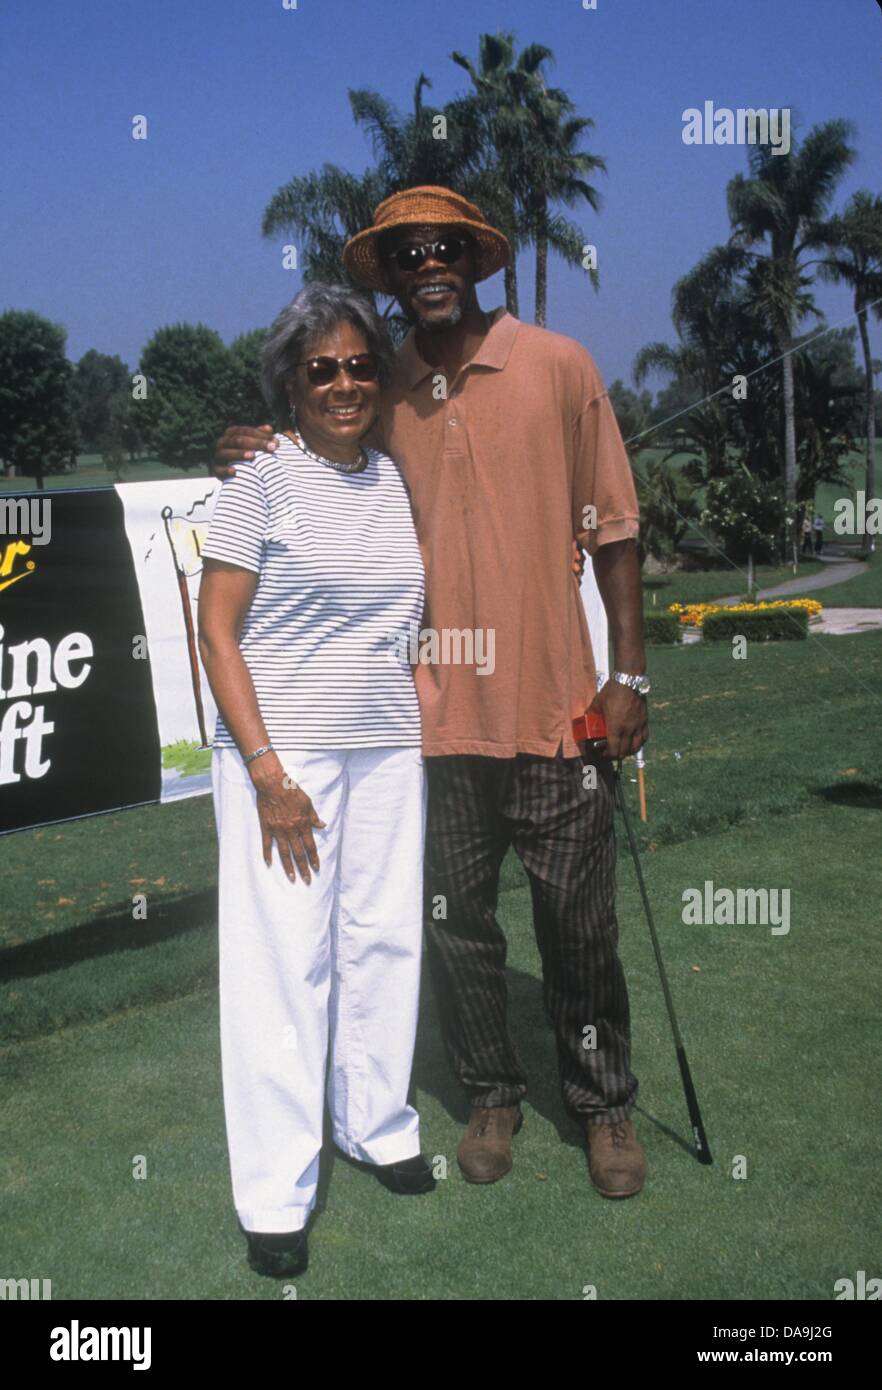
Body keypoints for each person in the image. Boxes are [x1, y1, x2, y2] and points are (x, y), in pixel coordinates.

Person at [214, 185, 649, 1200]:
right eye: (409, 256)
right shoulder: (385, 385)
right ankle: (491, 1091)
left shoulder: (558, 365)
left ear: (480, 260)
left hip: (555, 709)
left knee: (578, 928)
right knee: (454, 927)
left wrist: (628, 673)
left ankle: (605, 1107)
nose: (431, 266)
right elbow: (307, 463)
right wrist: (244, 447)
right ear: (393, 277)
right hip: (429, 723)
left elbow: (617, 530)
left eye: (447, 248)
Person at [198, 282, 435, 1279]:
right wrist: (265, 772)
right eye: (321, 369)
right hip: (282, 757)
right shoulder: (258, 479)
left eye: (358, 365)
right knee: (284, 964)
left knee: (380, 939)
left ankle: (376, 1125)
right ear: (289, 384)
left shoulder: (388, 475)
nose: (344, 383)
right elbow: (215, 630)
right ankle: (275, 1192)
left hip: (386, 748)